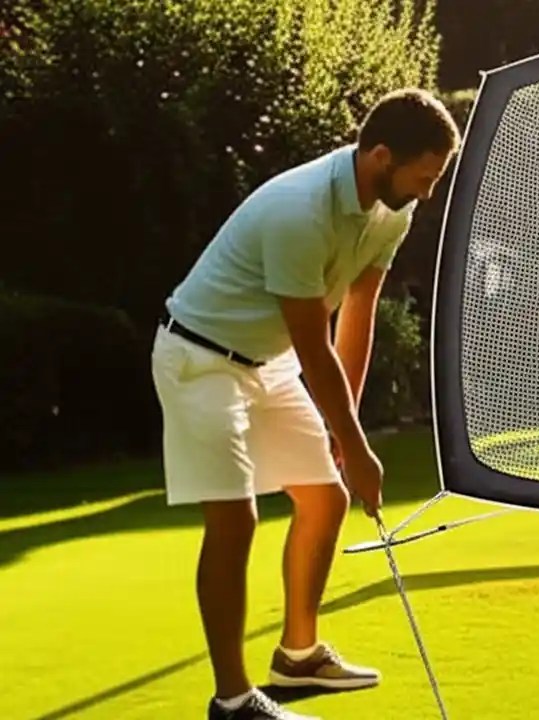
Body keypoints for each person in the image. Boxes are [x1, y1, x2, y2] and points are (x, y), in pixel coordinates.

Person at [150, 88, 460, 720]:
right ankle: (233, 700)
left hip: (268, 363)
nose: (427, 194)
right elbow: (311, 341)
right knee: (235, 521)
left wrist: (346, 431)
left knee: (325, 497)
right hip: (199, 360)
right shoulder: (301, 210)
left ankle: (297, 655)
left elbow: (358, 312)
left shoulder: (391, 212)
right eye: (423, 179)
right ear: (380, 156)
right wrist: (354, 440)